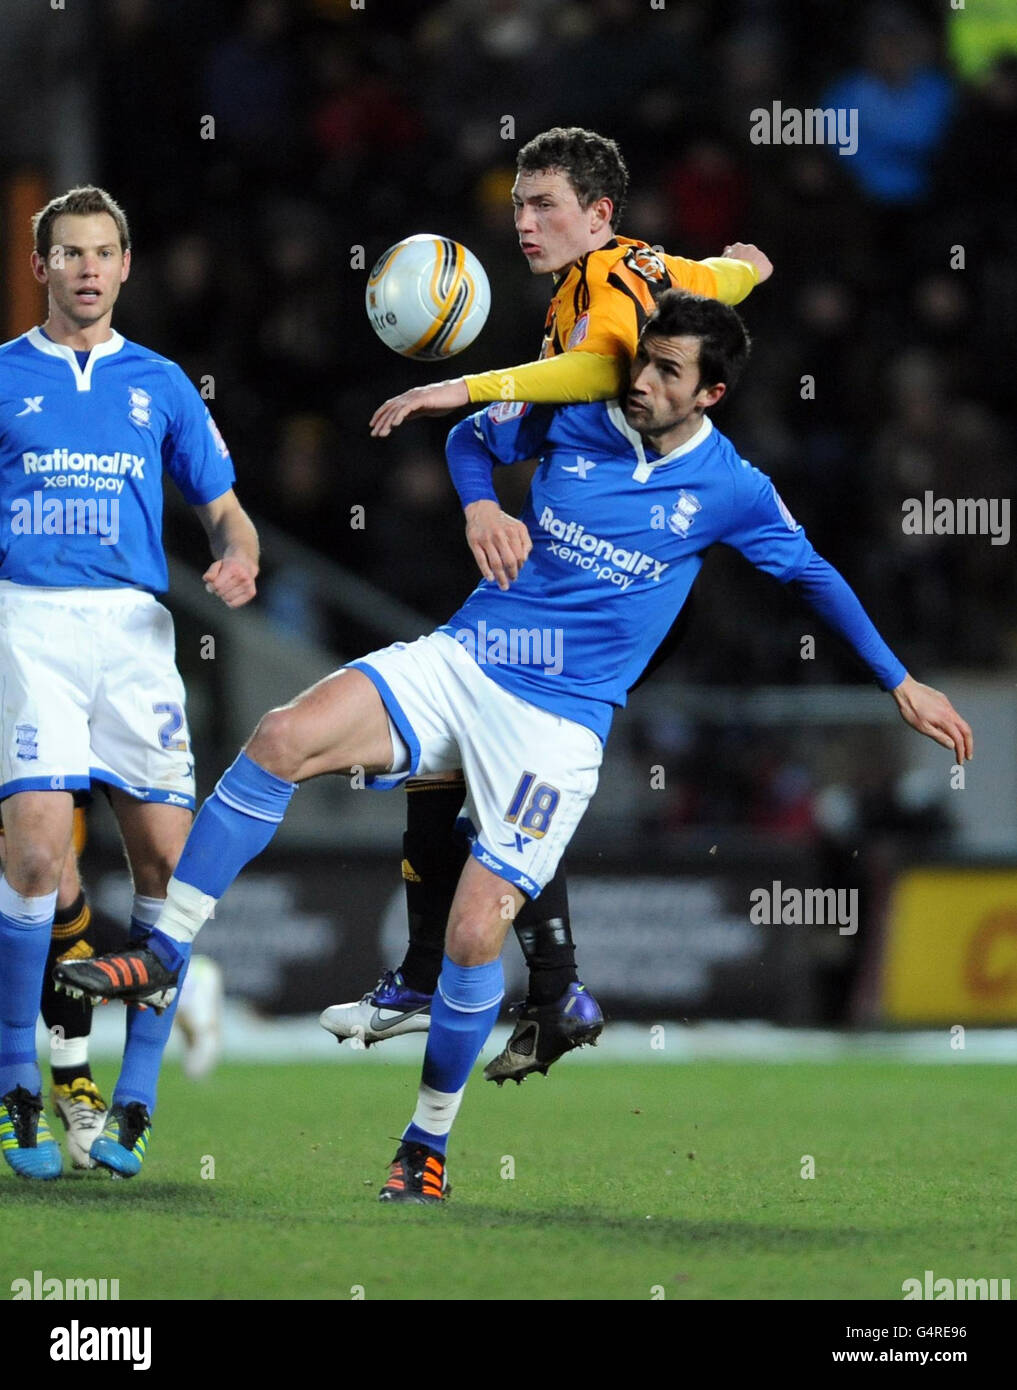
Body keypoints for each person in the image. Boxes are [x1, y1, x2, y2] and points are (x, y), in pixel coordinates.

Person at [62, 291, 972, 1203]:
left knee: (472, 929)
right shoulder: (578, 409)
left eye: (666, 370)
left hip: (556, 725)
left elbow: (813, 575)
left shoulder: (730, 489)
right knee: (281, 736)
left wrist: (897, 680)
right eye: (642, 357)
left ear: (712, 395)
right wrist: (478, 511)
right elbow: (469, 438)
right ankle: (172, 951)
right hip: (468, 656)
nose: (641, 379)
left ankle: (426, 1143)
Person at [322, 126, 773, 1083]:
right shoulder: (638, 266)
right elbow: (711, 279)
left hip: (603, 556)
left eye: (541, 207)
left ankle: (456, 977)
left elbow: (594, 373)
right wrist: (744, 272)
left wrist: (464, 386)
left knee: (475, 783)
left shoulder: (608, 302)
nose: (522, 224)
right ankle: (541, 984)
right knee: (454, 782)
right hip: (561, 554)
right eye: (517, 207)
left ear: (598, 214)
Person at [0, 185, 258, 1180]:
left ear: (126, 264)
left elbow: (229, 513)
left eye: (103, 252)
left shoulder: (161, 385)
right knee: (32, 855)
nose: (88, 269)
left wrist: (238, 555)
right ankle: (20, 1082)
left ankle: (136, 1099)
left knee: (167, 868)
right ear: (41, 267)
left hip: (136, 637)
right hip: (30, 625)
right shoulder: (5, 379)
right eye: (69, 253)